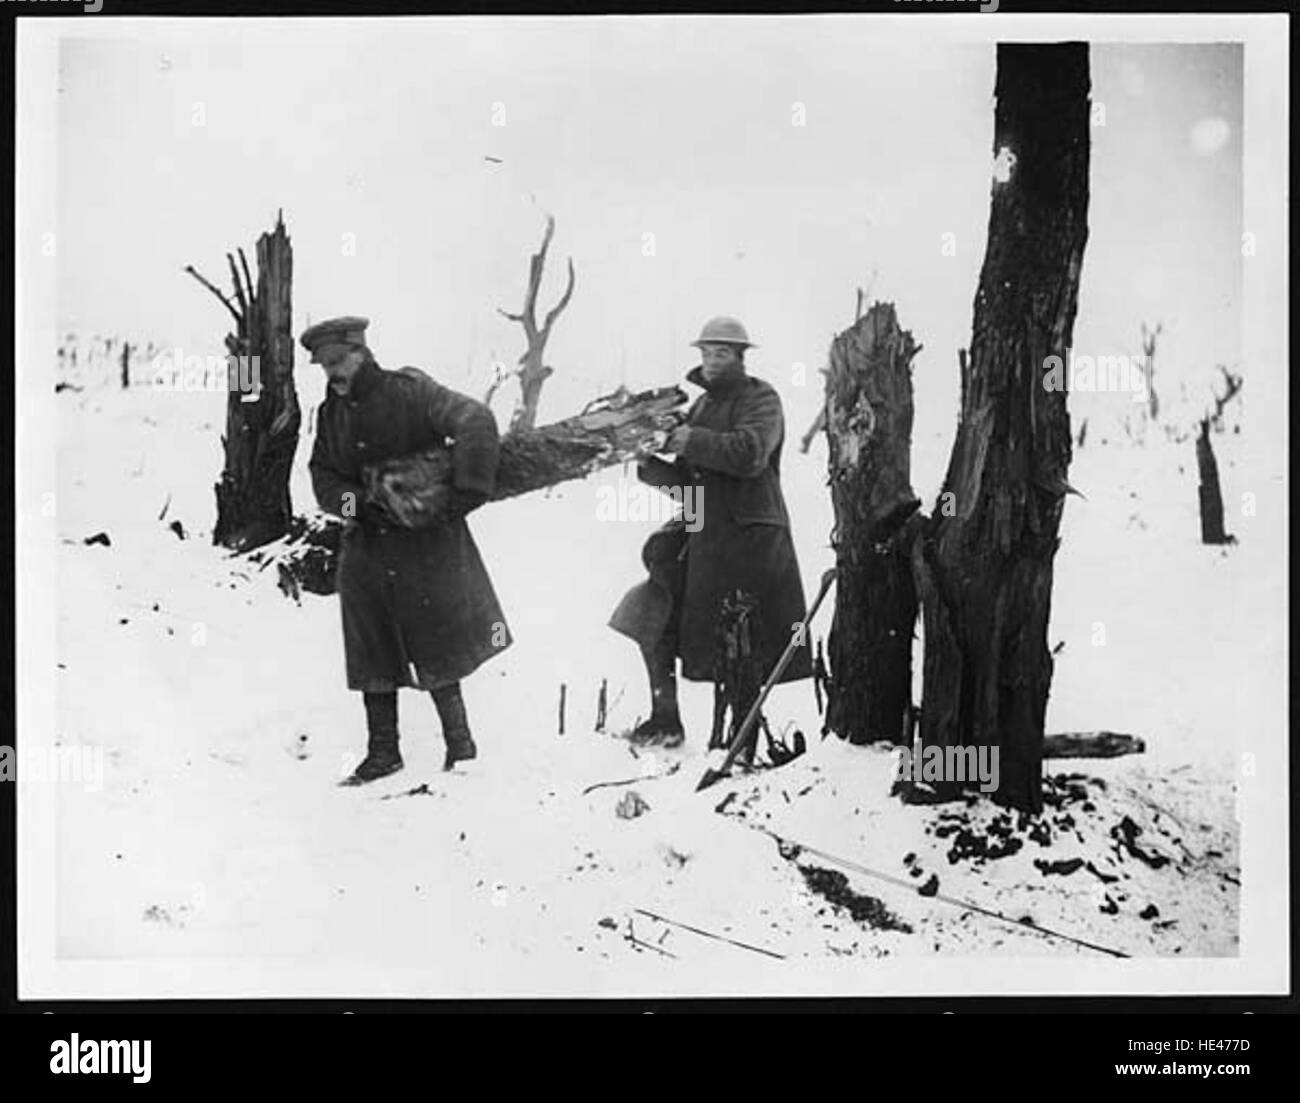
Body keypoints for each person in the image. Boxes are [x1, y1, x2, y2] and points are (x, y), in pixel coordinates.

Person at [303, 316, 512, 785]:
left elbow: (475, 419)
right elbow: (322, 475)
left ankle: (461, 746)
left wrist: (468, 491)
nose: (331, 373)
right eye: (324, 366)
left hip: (424, 543)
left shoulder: (410, 391)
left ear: (362, 353)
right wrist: (357, 504)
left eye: (338, 362)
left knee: (435, 640)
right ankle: (383, 753)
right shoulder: (330, 413)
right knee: (370, 646)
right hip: (366, 544)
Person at [609, 315, 811, 749]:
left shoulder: (762, 398)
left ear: (740, 357)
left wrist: (683, 440)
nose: (712, 361)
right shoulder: (700, 408)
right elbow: (689, 485)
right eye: (706, 353)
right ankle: (666, 719)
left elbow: (749, 454)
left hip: (749, 537)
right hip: (704, 531)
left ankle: (743, 734)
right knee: (649, 611)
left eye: (721, 353)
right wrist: (646, 462)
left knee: (741, 637)